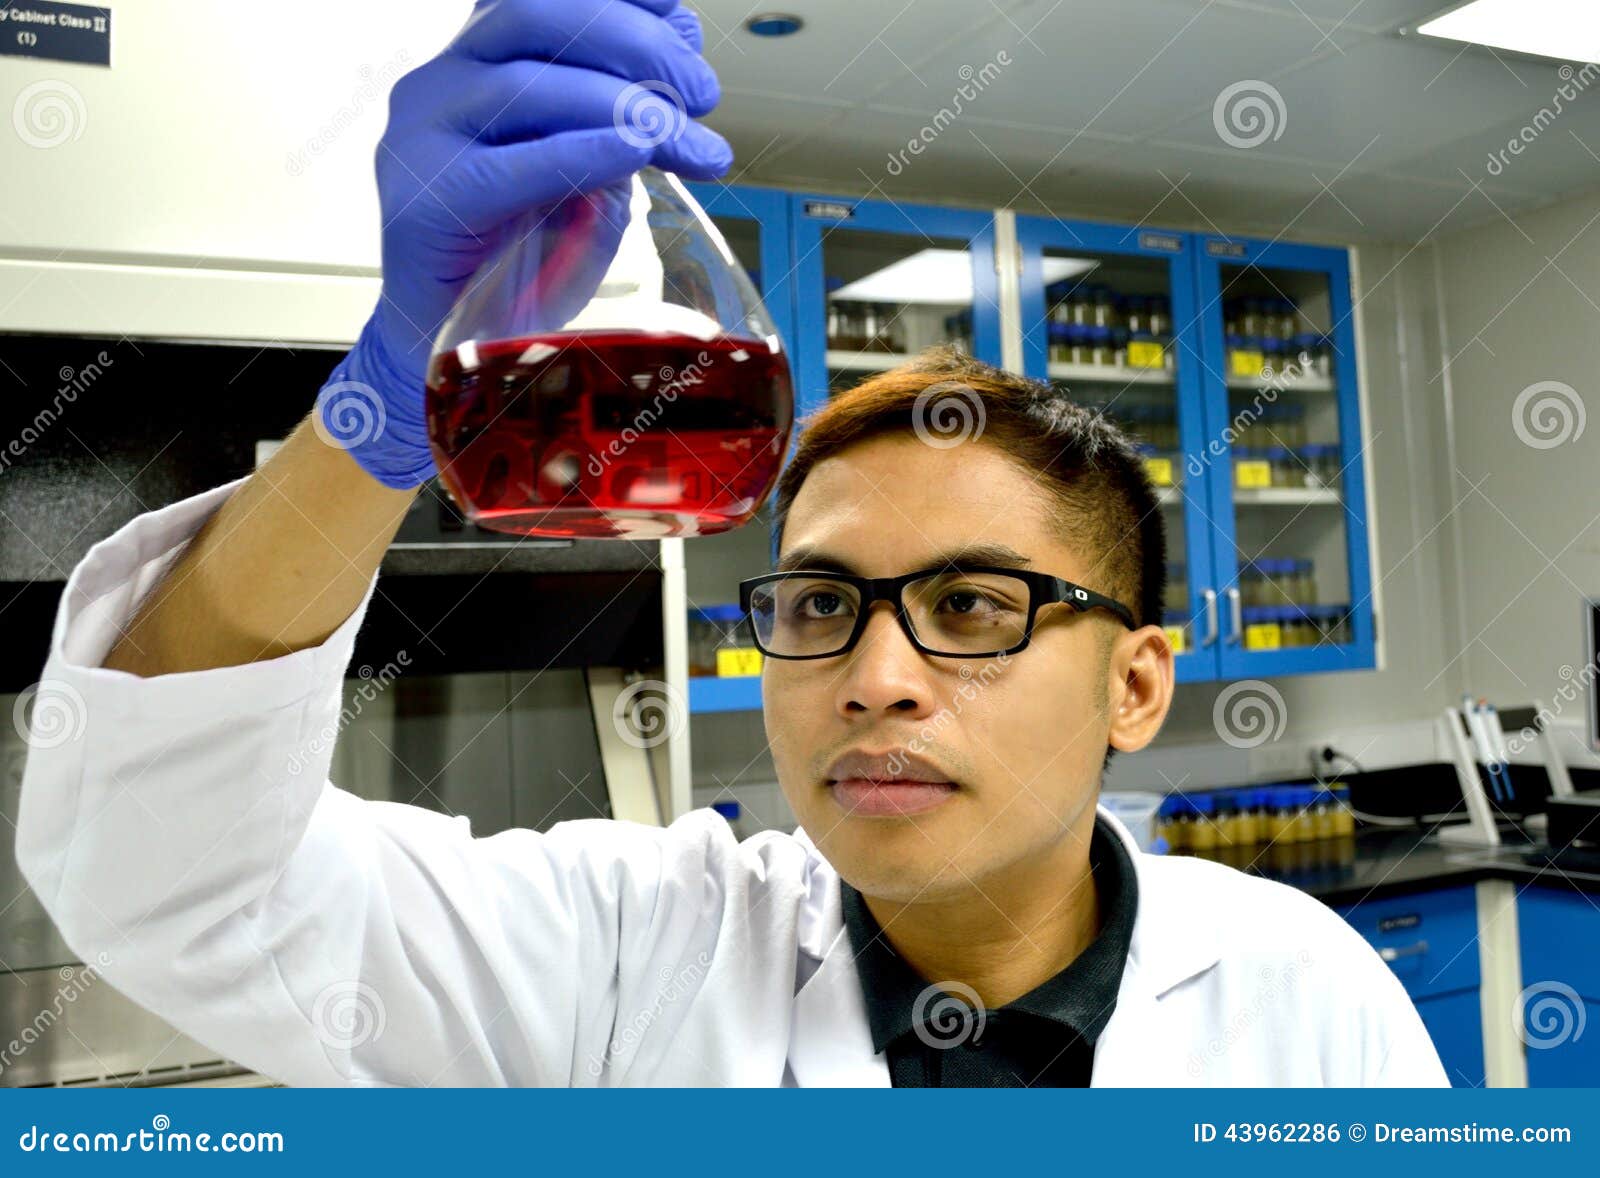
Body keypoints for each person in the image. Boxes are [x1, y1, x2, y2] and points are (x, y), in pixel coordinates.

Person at [14, 0, 1447, 1087]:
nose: (874, 676)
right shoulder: (631, 950)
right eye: (822, 601)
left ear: (1136, 684)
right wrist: (389, 395)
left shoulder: (1310, 995)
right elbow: (177, 881)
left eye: (971, 603)